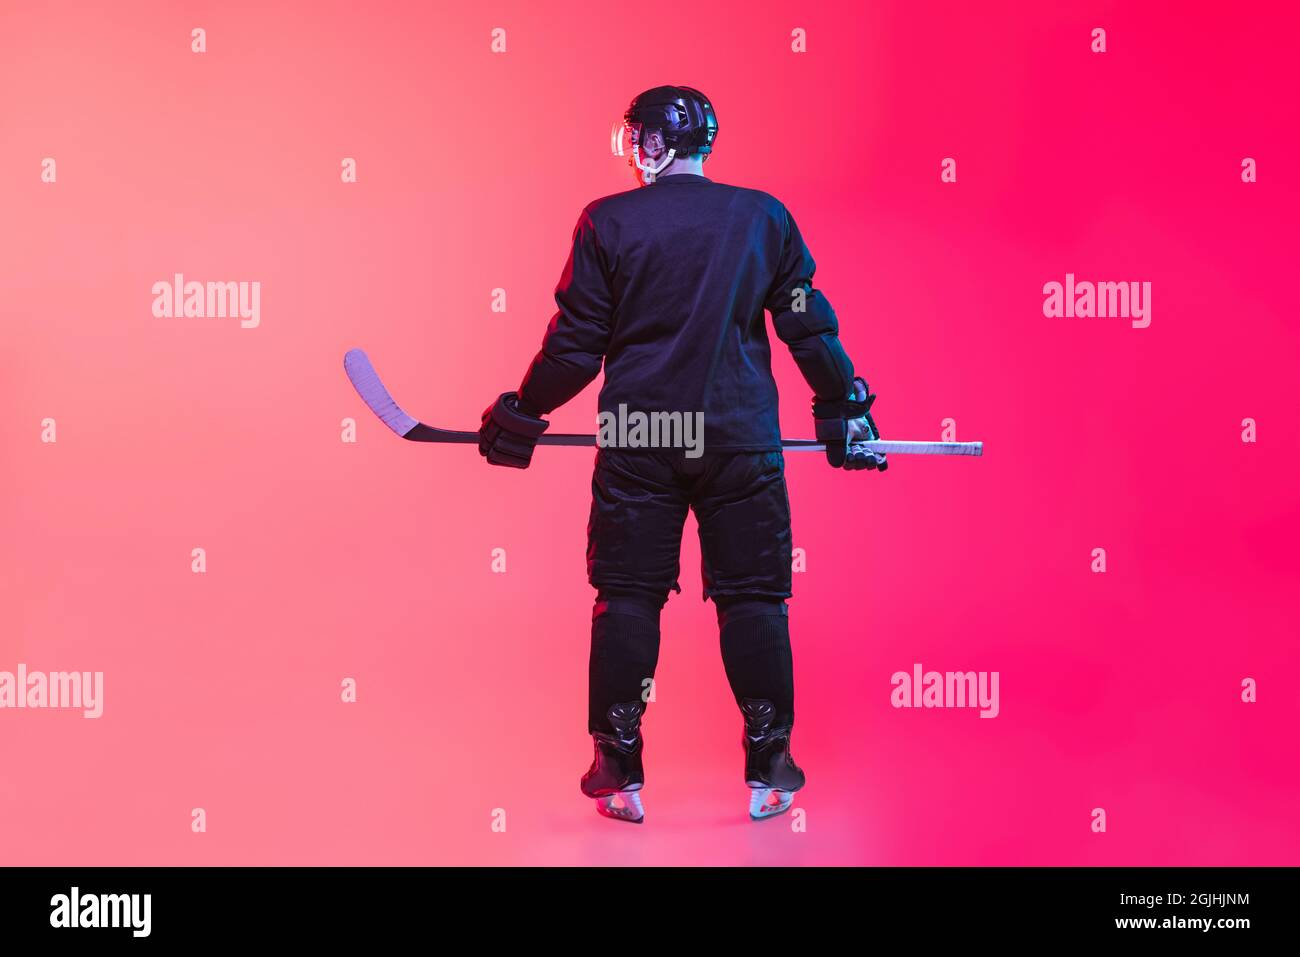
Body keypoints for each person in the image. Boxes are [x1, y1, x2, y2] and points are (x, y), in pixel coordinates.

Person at [478, 85, 885, 823]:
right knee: (754, 597)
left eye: (637, 135)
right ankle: (771, 766)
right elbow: (808, 329)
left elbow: (576, 345)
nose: (633, 148)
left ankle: (619, 768)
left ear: (655, 141)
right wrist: (842, 411)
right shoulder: (763, 216)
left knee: (628, 596)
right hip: (739, 436)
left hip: (641, 438)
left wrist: (523, 414)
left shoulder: (609, 219)